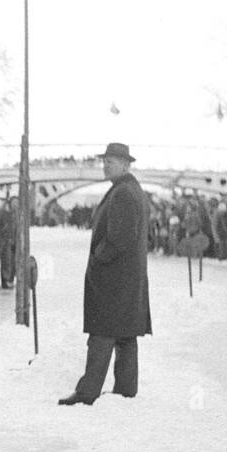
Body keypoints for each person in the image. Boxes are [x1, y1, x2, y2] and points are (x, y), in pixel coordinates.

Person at [58, 143, 152, 406]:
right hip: (128, 279)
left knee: (102, 335)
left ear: (125, 165)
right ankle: (126, 390)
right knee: (125, 335)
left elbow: (120, 237)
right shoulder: (132, 191)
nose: (105, 165)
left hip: (114, 280)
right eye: (105, 161)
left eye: (111, 161)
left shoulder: (122, 193)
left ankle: (88, 393)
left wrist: (99, 259)